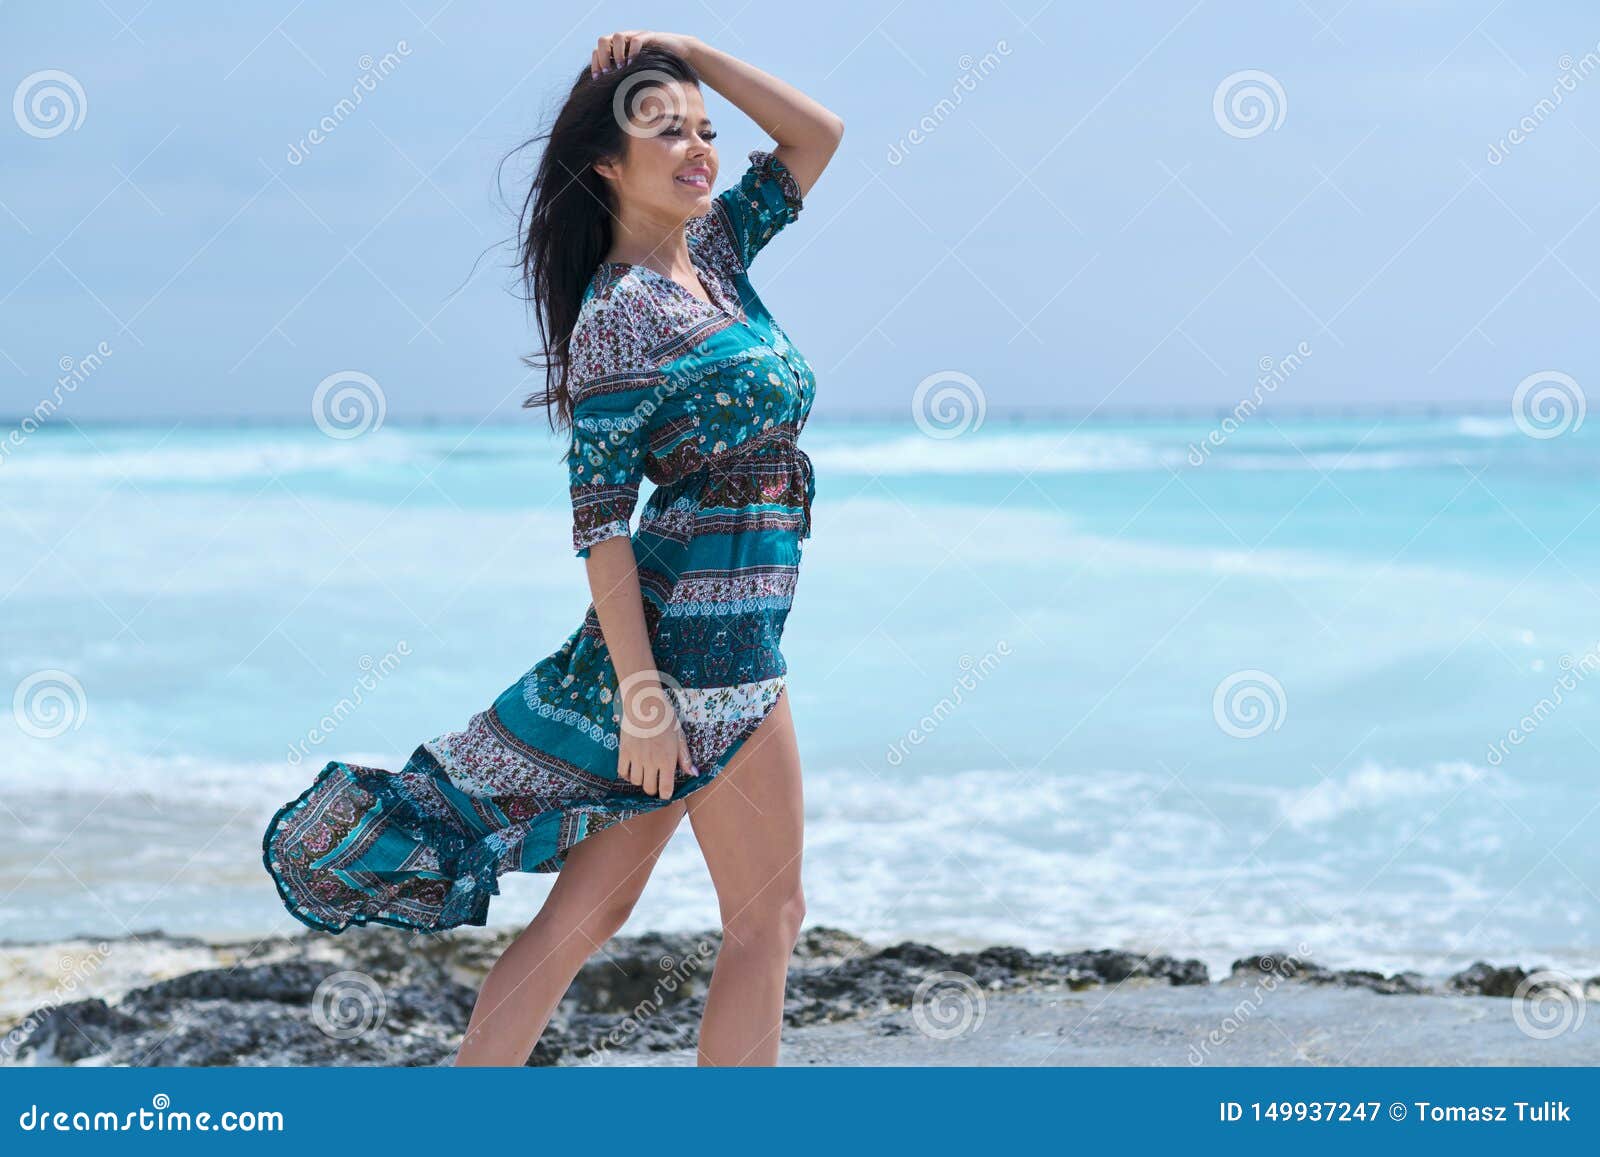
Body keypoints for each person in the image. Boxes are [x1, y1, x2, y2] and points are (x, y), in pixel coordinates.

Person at [260, 30, 844, 1067]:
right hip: (689, 659)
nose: (701, 146)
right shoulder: (619, 318)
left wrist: (686, 49)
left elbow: (817, 133)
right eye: (668, 130)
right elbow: (599, 526)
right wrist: (644, 693)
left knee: (604, 921)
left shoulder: (715, 253)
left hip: (738, 636)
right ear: (606, 166)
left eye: (705, 128)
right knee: (764, 918)